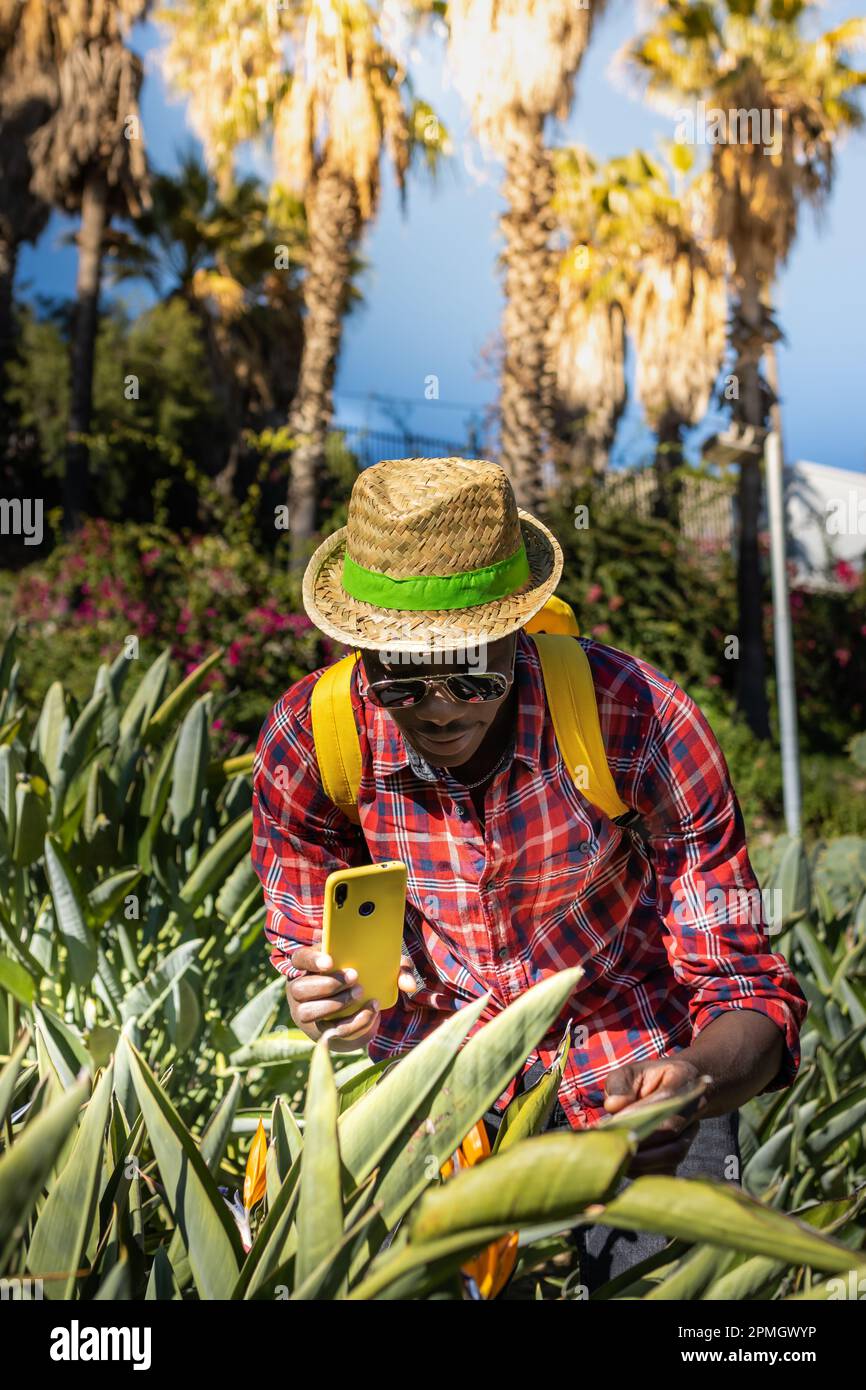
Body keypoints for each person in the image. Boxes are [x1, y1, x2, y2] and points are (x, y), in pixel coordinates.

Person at [250, 455, 807, 1292]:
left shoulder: (639, 718)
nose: (439, 706)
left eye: (473, 668)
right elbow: (308, 948)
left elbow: (748, 990)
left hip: (634, 1082)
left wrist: (692, 1081)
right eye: (401, 674)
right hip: (433, 1104)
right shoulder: (313, 738)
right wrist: (326, 998)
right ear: (355, 647)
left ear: (522, 630)